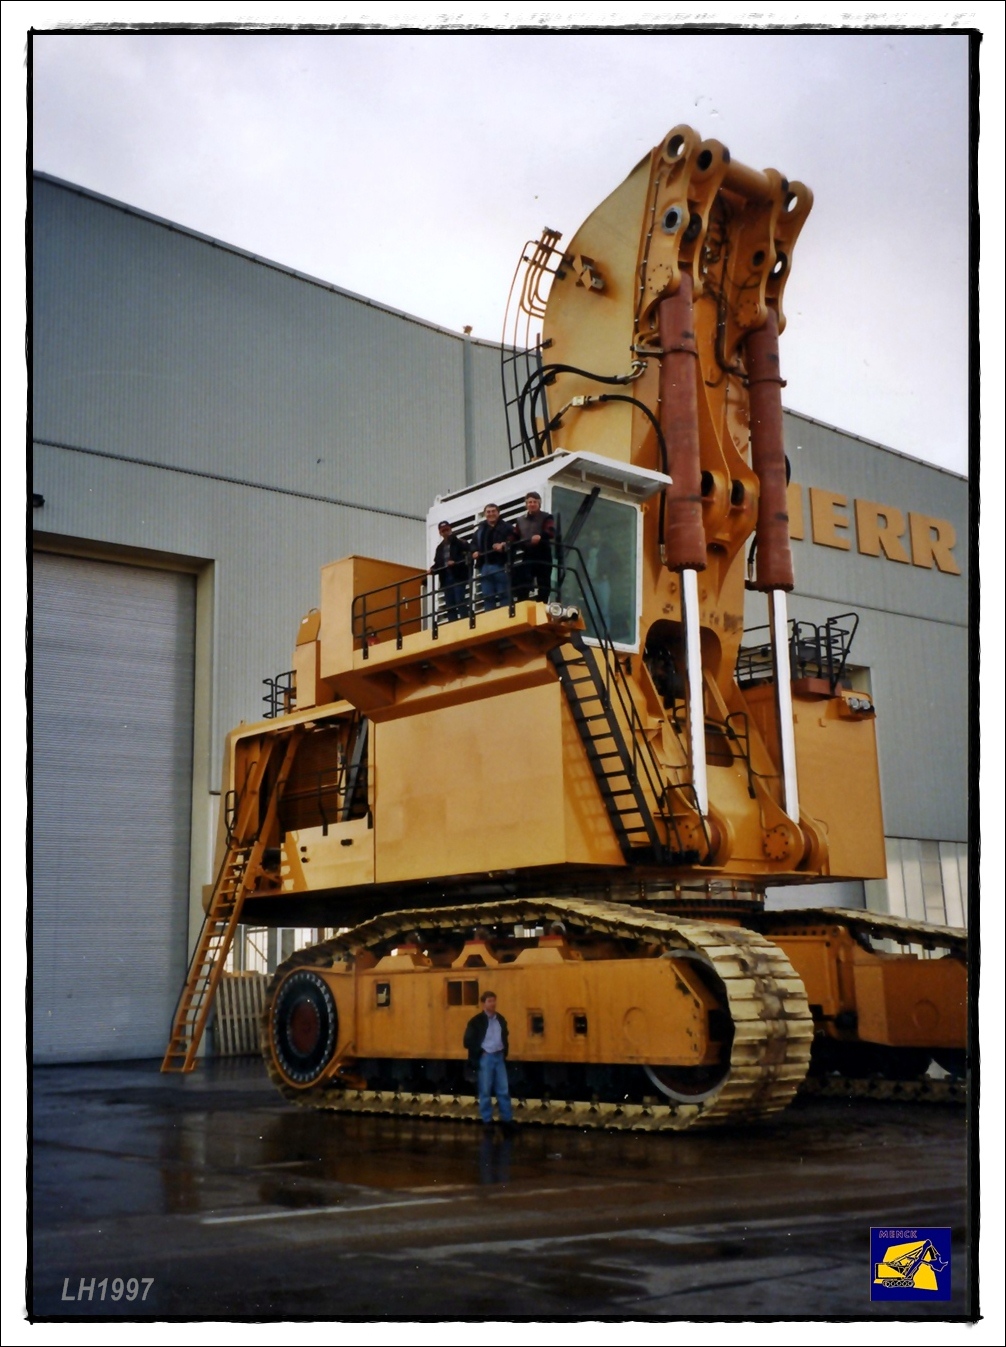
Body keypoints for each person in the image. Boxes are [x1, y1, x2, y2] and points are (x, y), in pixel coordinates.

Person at [463, 990, 514, 1127]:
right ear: (483, 1003)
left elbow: (505, 1036)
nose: (493, 1004)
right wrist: (481, 1051)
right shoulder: (476, 1021)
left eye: (494, 1000)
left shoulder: (500, 1019)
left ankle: (507, 1120)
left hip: (499, 1055)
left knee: (503, 1090)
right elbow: (467, 1041)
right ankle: (487, 1121)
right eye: (490, 1001)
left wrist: (504, 1052)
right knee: (485, 1091)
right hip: (486, 1057)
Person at [512, 490, 555, 602]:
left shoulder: (547, 517)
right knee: (524, 580)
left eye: (534, 502)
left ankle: (542, 603)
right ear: (526, 504)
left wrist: (540, 536)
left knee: (544, 581)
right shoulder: (520, 520)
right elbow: (515, 535)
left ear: (539, 503)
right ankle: (523, 602)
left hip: (543, 552)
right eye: (529, 502)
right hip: (528, 552)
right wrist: (506, 543)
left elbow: (550, 531)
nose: (532, 504)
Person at [470, 504, 515, 610]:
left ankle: (506, 615)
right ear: (485, 514)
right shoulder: (481, 530)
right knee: (487, 596)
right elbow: (473, 543)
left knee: (503, 593)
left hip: (501, 564)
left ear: (498, 513)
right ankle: (490, 618)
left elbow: (514, 539)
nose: (491, 514)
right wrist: (474, 551)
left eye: (493, 511)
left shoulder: (507, 527)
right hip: (485, 566)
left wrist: (504, 545)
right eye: (488, 512)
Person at [430, 520, 471, 623]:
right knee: (449, 604)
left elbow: (467, 555)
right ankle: (453, 625)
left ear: (450, 529)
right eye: (443, 530)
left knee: (459, 600)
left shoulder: (460, 542)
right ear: (440, 532)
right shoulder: (439, 548)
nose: (445, 532)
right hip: (446, 578)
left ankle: (465, 622)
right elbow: (438, 563)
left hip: (458, 576)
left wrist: (455, 562)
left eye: (447, 530)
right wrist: (432, 569)